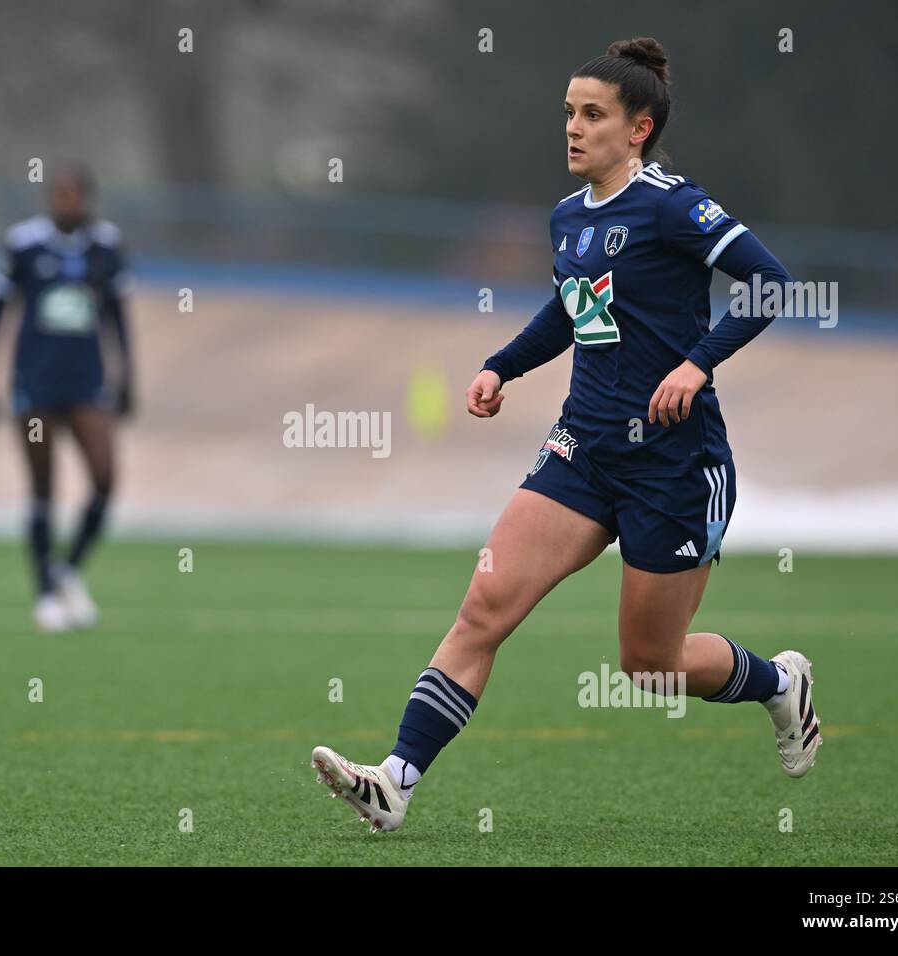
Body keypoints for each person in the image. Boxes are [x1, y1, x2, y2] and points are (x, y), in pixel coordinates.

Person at [312, 37, 820, 833]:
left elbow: (772, 284)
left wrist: (695, 364)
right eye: (569, 114)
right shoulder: (567, 218)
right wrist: (503, 365)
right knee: (484, 607)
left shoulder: (672, 204)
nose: (574, 130)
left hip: (674, 464)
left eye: (593, 115)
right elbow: (574, 310)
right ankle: (395, 783)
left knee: (650, 664)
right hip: (581, 449)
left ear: (639, 128)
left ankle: (779, 684)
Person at [0, 164, 135, 633]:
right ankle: (44, 593)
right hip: (36, 385)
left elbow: (118, 318)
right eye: (57, 194)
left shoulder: (106, 246)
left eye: (73, 195)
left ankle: (67, 570)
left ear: (86, 199)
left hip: (86, 382)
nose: (64, 202)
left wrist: (129, 378)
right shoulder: (24, 244)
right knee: (43, 486)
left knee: (105, 478)